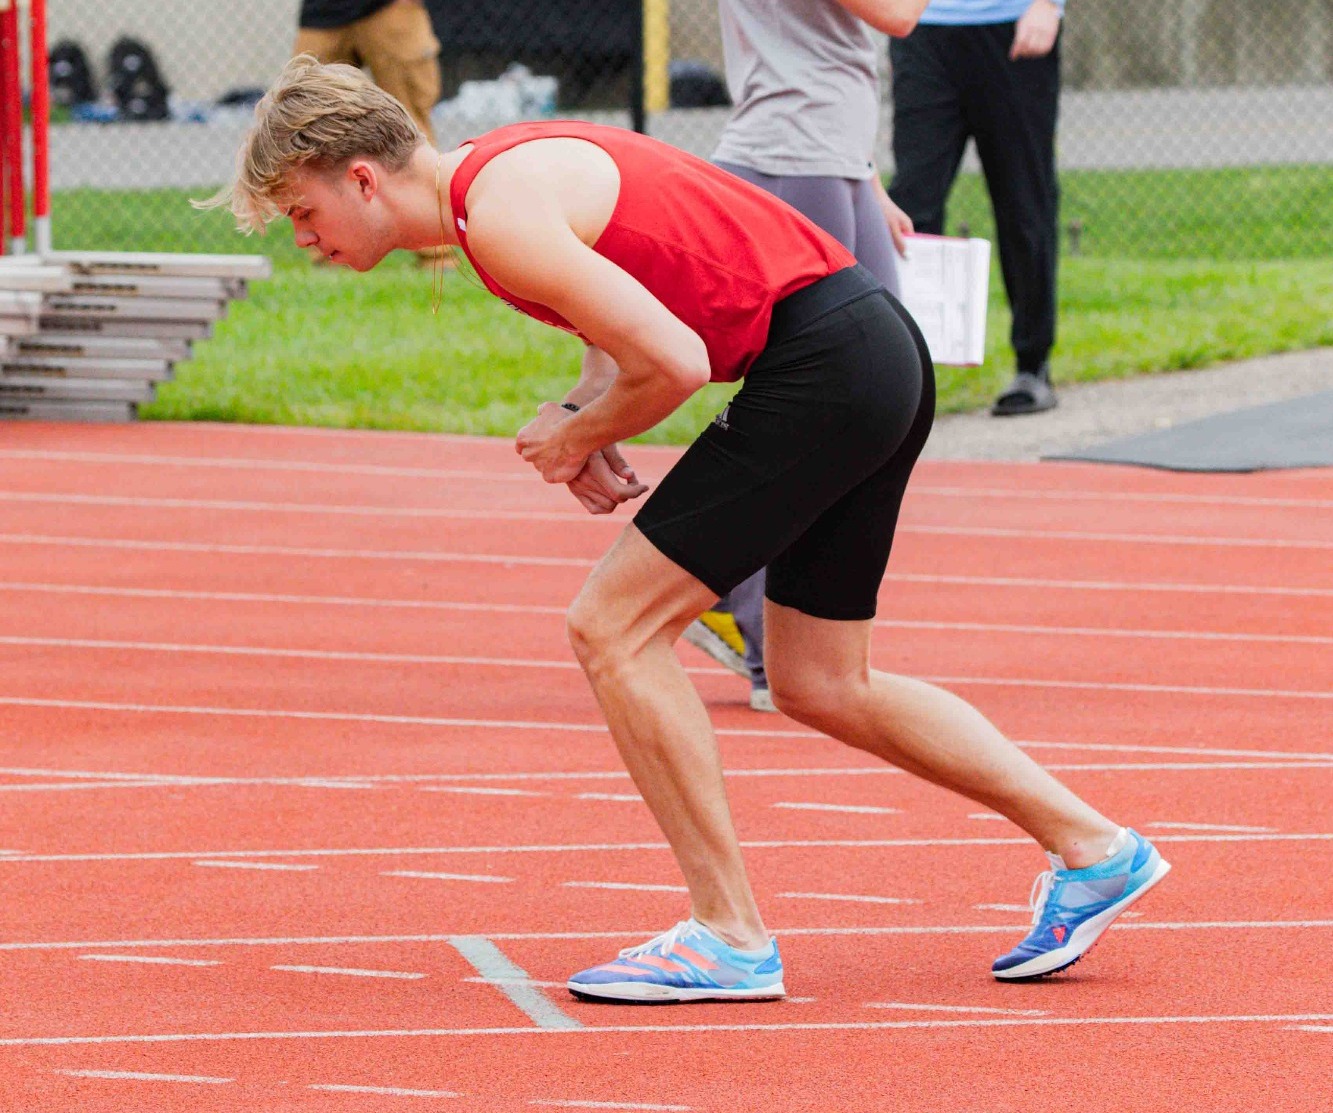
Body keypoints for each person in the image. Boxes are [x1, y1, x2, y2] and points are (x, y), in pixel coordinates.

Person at [211, 55, 1170, 1003]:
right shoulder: (495, 176)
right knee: (821, 681)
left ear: (364, 178)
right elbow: (625, 320)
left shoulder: (497, 216)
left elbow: (671, 358)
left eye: (303, 212)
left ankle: (728, 934)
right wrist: (587, 412)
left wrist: (576, 436)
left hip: (825, 365)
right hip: (866, 348)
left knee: (611, 627)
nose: (305, 238)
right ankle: (1094, 847)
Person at [683, 0, 925, 712]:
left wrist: (867, 176)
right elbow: (897, 13)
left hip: (829, 157)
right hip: (787, 158)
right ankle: (759, 633)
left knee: (893, 394)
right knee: (825, 406)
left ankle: (724, 590)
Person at [889, 0, 1064, 416]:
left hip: (1013, 28)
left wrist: (1047, 5)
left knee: (1024, 205)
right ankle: (903, 376)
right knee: (912, 207)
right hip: (923, 28)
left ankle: (1032, 366)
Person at [295, 0, 443, 266]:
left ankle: (437, 252)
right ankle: (327, 252)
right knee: (307, 130)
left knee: (412, 130)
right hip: (322, 14)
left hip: (391, 9)